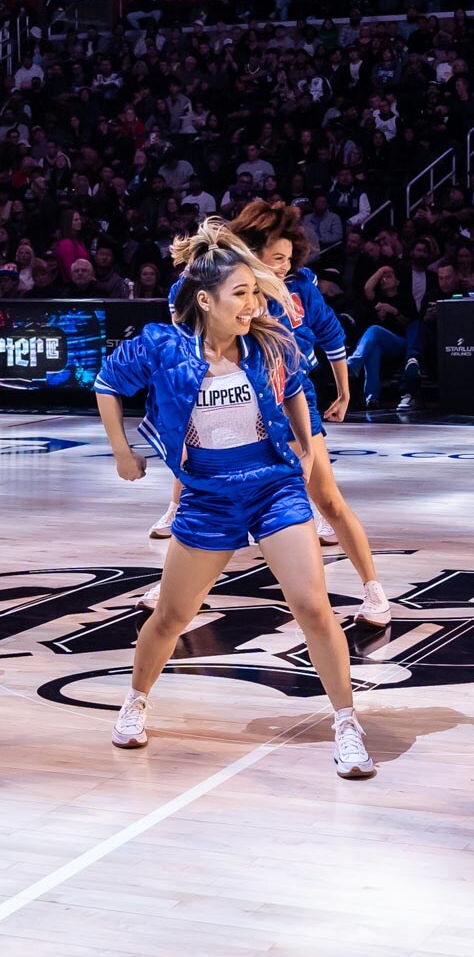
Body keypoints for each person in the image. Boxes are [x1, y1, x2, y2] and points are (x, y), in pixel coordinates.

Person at [93, 219, 376, 778]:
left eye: (254, 292)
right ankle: (135, 700)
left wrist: (310, 456)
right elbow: (107, 383)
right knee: (172, 615)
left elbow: (297, 391)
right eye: (240, 293)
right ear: (205, 299)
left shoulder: (269, 343)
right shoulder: (162, 344)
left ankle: (347, 724)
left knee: (315, 608)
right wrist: (122, 452)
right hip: (206, 498)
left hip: (273, 489)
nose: (251, 304)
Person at [140, 204, 392, 630]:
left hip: (288, 402)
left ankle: (374, 589)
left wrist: (345, 390)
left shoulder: (298, 290)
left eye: (290, 259)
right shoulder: (208, 285)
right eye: (277, 259)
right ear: (251, 254)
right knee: (204, 500)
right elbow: (180, 335)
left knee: (327, 498)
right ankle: (174, 585)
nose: (286, 267)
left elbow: (329, 337)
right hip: (228, 404)